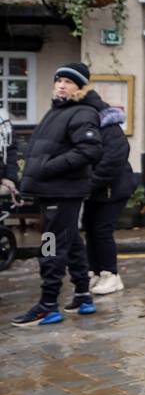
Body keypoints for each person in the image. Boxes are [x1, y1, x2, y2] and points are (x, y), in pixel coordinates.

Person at [10, 63, 103, 327]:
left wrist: (47, 168)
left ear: (81, 87)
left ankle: (48, 304)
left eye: (69, 82)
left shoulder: (82, 112)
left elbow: (90, 150)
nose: (62, 85)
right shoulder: (58, 111)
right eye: (59, 80)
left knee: (50, 245)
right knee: (71, 241)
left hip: (62, 192)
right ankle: (83, 295)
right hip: (53, 191)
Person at [84, 93, 135, 296]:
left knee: (102, 230)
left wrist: (90, 182)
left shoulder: (109, 128)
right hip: (96, 189)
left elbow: (113, 159)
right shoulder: (89, 126)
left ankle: (111, 275)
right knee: (90, 229)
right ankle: (95, 272)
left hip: (112, 189)